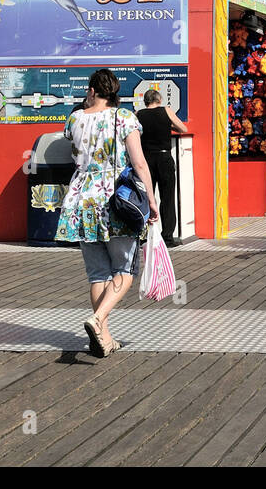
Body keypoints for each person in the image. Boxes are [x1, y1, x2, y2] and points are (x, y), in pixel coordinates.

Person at [55, 69, 158, 359]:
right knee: (124, 271)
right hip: (116, 200)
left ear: (91, 90)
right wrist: (151, 199)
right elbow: (138, 163)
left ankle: (105, 338)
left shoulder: (75, 118)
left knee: (97, 273)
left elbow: (72, 151)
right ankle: (98, 320)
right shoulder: (124, 118)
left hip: (81, 199)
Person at [136, 89, 188, 247]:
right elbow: (183, 128)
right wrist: (169, 125)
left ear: (146, 101)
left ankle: (145, 236)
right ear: (159, 100)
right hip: (164, 158)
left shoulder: (138, 114)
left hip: (145, 160)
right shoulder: (166, 110)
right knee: (167, 197)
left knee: (145, 197)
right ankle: (167, 237)